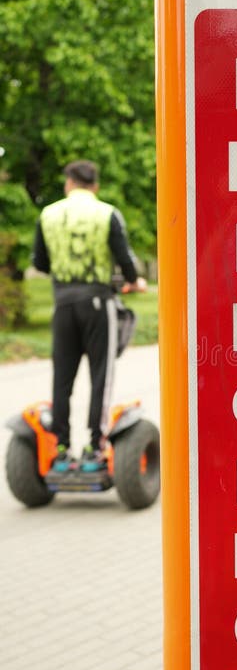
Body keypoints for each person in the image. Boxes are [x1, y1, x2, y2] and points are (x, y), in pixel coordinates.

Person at [32, 160, 147, 472]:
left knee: (62, 378)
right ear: (94, 186)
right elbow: (126, 262)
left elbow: (40, 262)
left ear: (69, 183)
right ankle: (95, 449)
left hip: (62, 305)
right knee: (100, 377)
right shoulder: (107, 213)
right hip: (97, 303)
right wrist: (132, 281)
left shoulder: (48, 214)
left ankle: (62, 446)